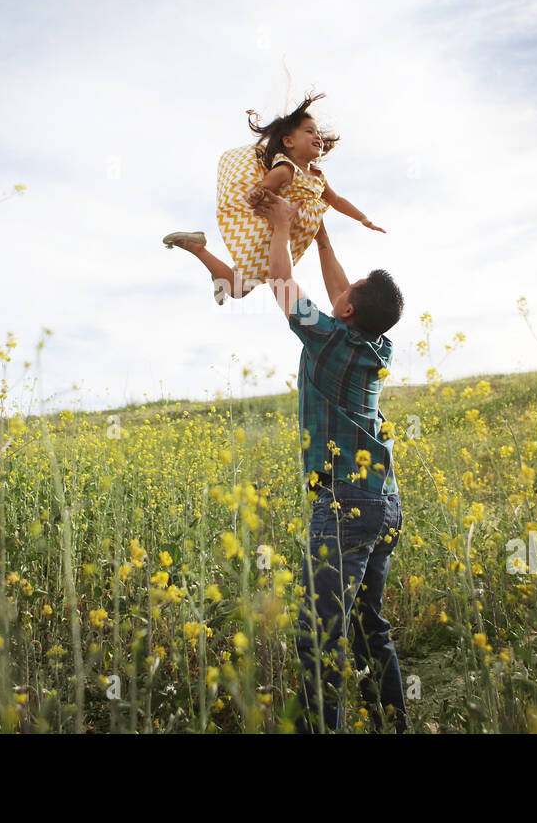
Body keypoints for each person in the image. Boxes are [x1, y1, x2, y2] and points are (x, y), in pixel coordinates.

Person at [253, 190, 409, 734]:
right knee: (369, 624)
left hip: (345, 505)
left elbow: (282, 285)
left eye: (346, 293)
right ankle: (395, 722)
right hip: (385, 502)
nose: (339, 292)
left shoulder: (328, 341)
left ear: (346, 310)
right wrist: (320, 234)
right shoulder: (375, 346)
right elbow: (342, 292)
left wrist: (280, 225)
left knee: (318, 634)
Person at [162, 90, 384, 305]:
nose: (317, 136)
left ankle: (212, 268)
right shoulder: (287, 169)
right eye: (309, 131)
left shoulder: (317, 177)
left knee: (238, 288)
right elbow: (263, 187)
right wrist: (257, 193)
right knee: (238, 289)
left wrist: (363, 218)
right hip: (273, 239)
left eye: (317, 132)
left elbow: (337, 201)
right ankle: (198, 249)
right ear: (289, 142)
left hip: (290, 240)